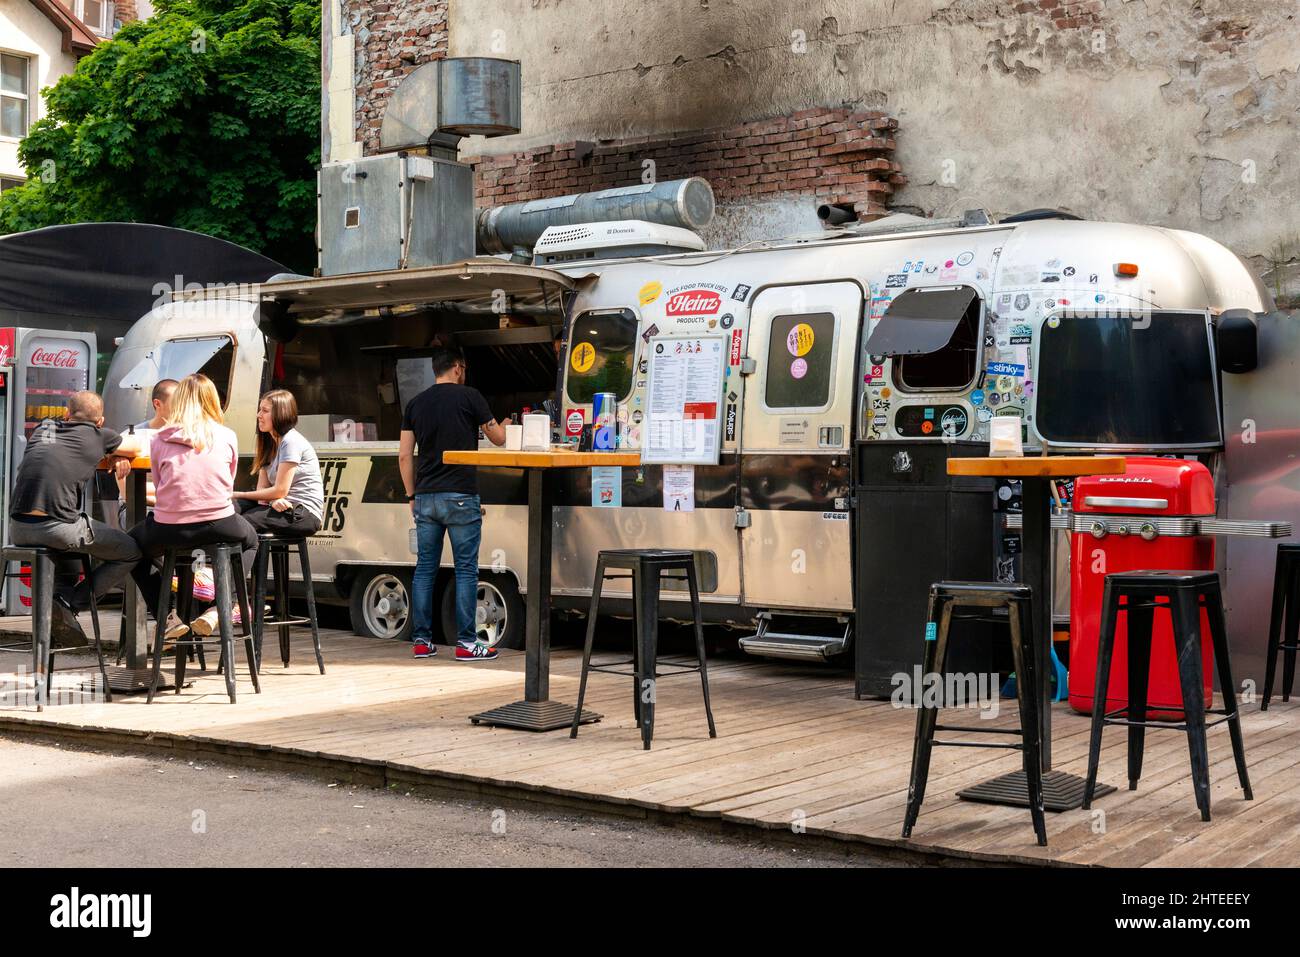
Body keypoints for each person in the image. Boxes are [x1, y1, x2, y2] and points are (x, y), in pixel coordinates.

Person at [128, 373, 257, 640]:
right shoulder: (227, 436)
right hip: (219, 524)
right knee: (252, 540)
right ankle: (222, 606)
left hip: (169, 528)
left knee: (129, 549)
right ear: (213, 401)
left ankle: (167, 618)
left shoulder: (159, 439)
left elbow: (161, 484)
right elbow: (227, 485)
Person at [399, 346, 506, 661]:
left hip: (426, 497)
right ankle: (466, 643)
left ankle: (421, 641)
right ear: (458, 368)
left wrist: (411, 495)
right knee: (465, 570)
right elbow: (498, 438)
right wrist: (506, 421)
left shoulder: (416, 404)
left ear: (436, 369)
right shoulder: (470, 397)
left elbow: (405, 455)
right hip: (460, 496)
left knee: (424, 570)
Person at [8, 391, 143, 640]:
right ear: (100, 421)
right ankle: (70, 603)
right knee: (130, 551)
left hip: (17, 528)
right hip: (57, 528)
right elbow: (136, 446)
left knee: (68, 551)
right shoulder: (98, 435)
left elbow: (58, 451)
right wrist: (117, 453)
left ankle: (57, 619)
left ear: (66, 414)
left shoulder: (43, 428)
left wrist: (111, 452)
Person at [233, 389, 324, 537]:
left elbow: (281, 490)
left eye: (265, 410)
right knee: (230, 510)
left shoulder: (291, 441)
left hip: (302, 512)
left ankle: (234, 560)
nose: (258, 415)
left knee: (243, 523)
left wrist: (237, 493)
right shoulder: (269, 443)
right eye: (259, 410)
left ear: (280, 414)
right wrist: (272, 501)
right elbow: (262, 489)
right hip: (279, 505)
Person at [113, 378, 178, 512]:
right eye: (176, 402)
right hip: (139, 507)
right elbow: (127, 492)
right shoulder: (133, 436)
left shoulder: (187, 436)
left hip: (171, 506)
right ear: (157, 404)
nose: (182, 407)